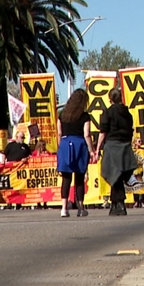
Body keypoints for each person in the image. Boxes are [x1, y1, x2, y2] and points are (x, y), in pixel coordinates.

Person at [95, 87, 137, 216]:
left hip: (112, 146)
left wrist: (97, 149)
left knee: (114, 174)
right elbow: (131, 131)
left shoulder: (107, 113)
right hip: (125, 146)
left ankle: (119, 204)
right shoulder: (127, 113)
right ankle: (116, 204)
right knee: (117, 176)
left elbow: (103, 132)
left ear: (110, 99)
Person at [56, 88, 94, 218]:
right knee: (79, 178)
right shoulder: (84, 116)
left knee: (66, 178)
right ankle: (80, 207)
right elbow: (87, 134)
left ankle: (64, 208)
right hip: (79, 144)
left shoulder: (62, 114)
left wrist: (59, 148)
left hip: (65, 144)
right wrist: (91, 150)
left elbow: (59, 133)